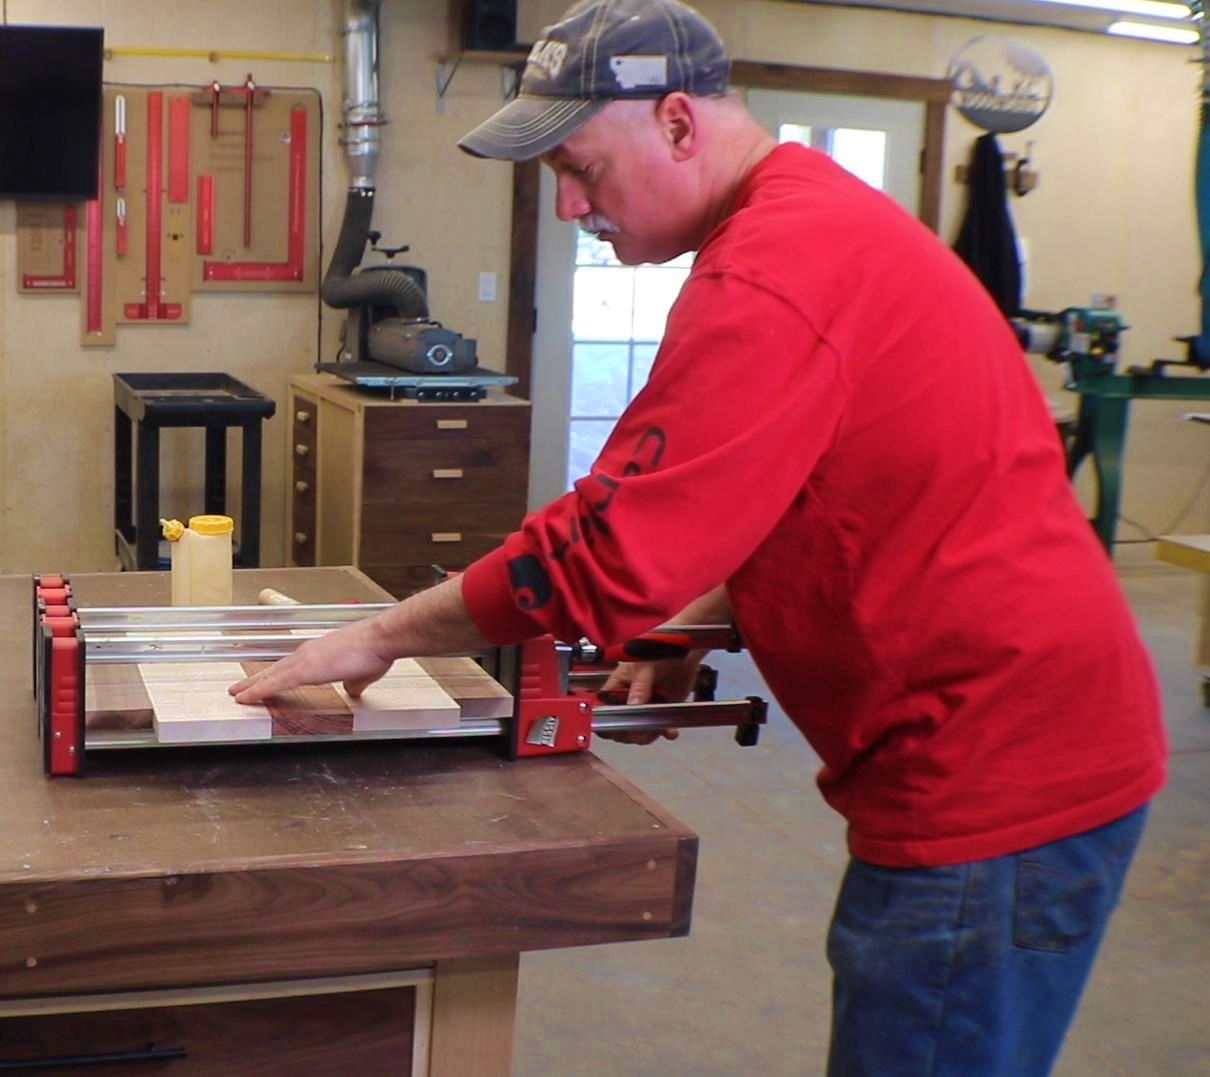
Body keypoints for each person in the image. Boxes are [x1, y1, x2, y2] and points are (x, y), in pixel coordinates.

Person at [231, 1, 1167, 1073]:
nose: (572, 204)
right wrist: (696, 619)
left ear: (677, 123)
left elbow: (605, 550)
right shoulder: (815, 219)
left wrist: (384, 636)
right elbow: (813, 488)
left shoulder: (772, 269)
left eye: (581, 168)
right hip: (1032, 732)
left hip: (999, 768)